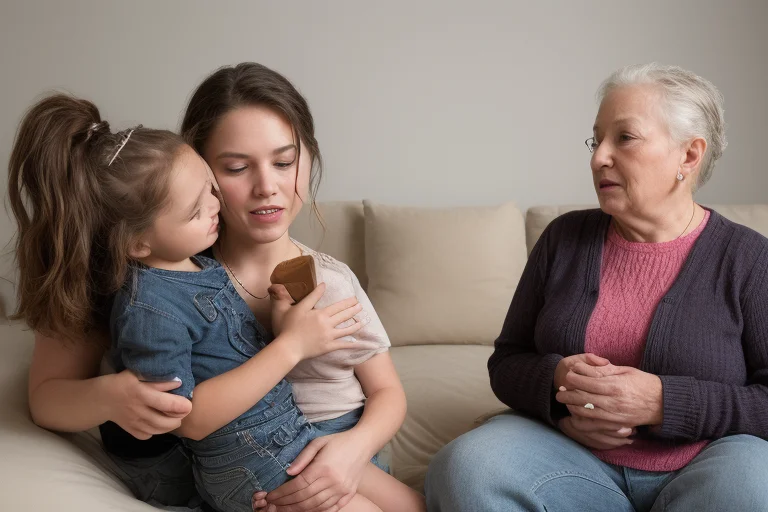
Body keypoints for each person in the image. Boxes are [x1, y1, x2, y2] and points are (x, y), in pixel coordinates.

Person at [9, 63, 423, 512]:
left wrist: (351, 450)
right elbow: (48, 399)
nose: (267, 187)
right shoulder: (154, 277)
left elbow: (386, 392)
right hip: (240, 471)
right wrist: (111, 395)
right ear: (198, 168)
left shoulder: (332, 279)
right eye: (236, 167)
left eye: (285, 162)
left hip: (336, 455)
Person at [425, 63, 768, 512]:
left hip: (708, 464)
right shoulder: (564, 238)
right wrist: (560, 389)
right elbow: (507, 361)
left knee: (752, 487)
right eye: (596, 139)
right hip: (574, 462)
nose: (598, 157)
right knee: (466, 468)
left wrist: (663, 403)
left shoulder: (749, 258)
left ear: (689, 155)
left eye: (624, 138)